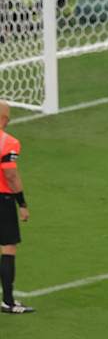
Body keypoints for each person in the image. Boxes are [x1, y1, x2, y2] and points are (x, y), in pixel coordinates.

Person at [0, 102, 35, 314]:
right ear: (5, 118)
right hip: (2, 200)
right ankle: (9, 301)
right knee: (8, 247)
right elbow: (10, 175)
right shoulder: (8, 142)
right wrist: (21, 203)